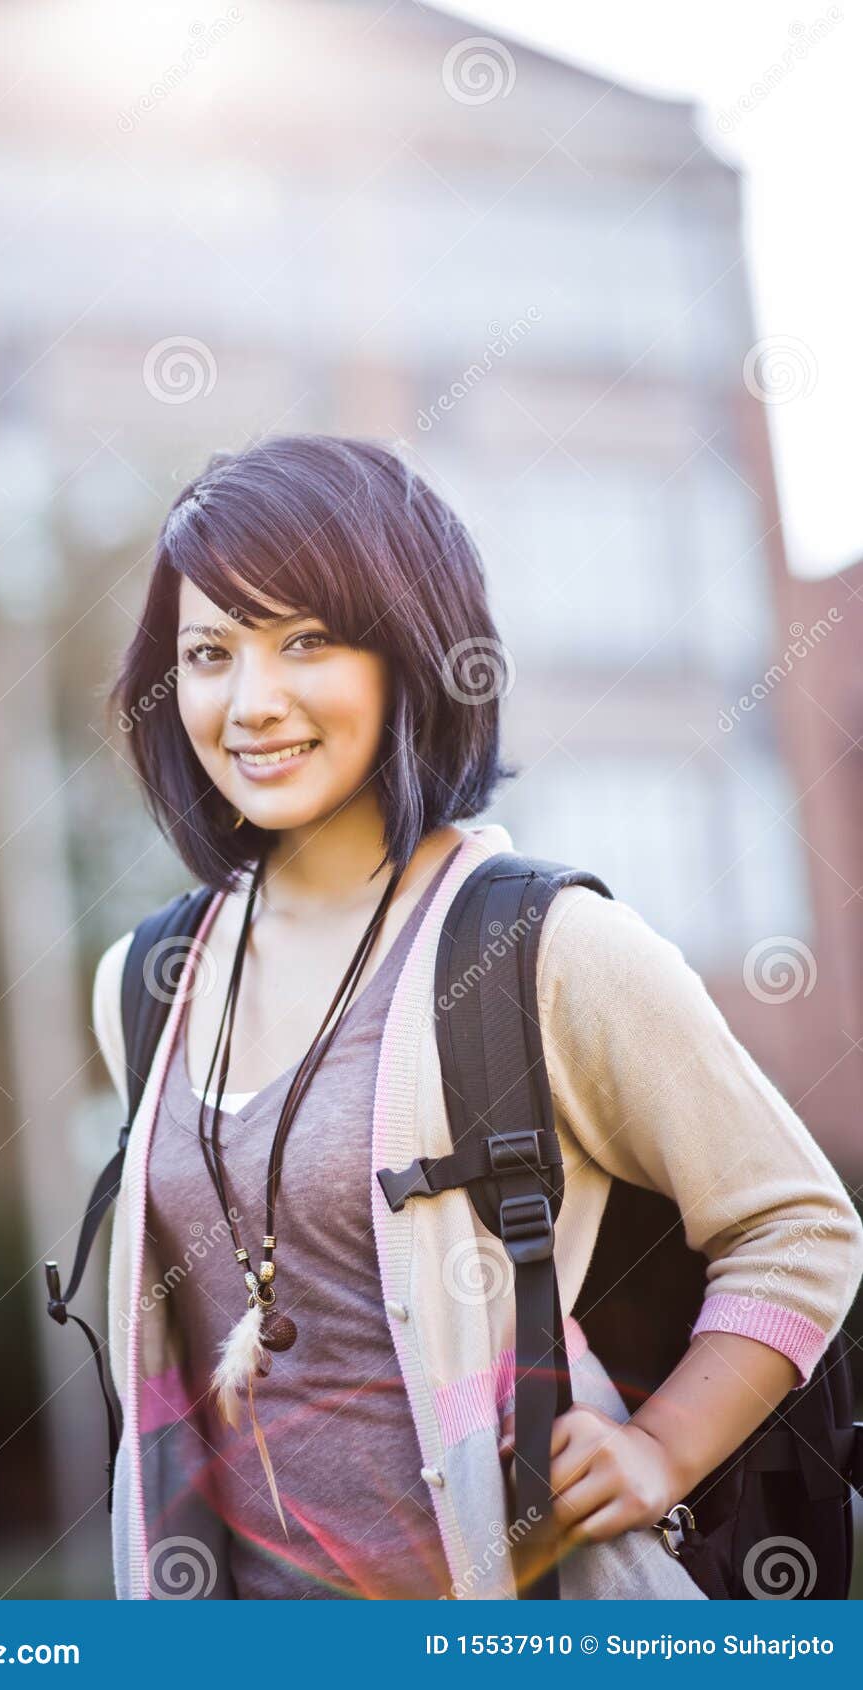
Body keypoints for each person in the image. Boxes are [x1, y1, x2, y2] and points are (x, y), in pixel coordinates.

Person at [91, 433, 863, 1601]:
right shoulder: (146, 981)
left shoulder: (543, 946)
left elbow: (799, 1227)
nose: (251, 701)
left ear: (408, 653)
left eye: (305, 640)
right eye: (209, 652)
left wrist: (664, 1449)